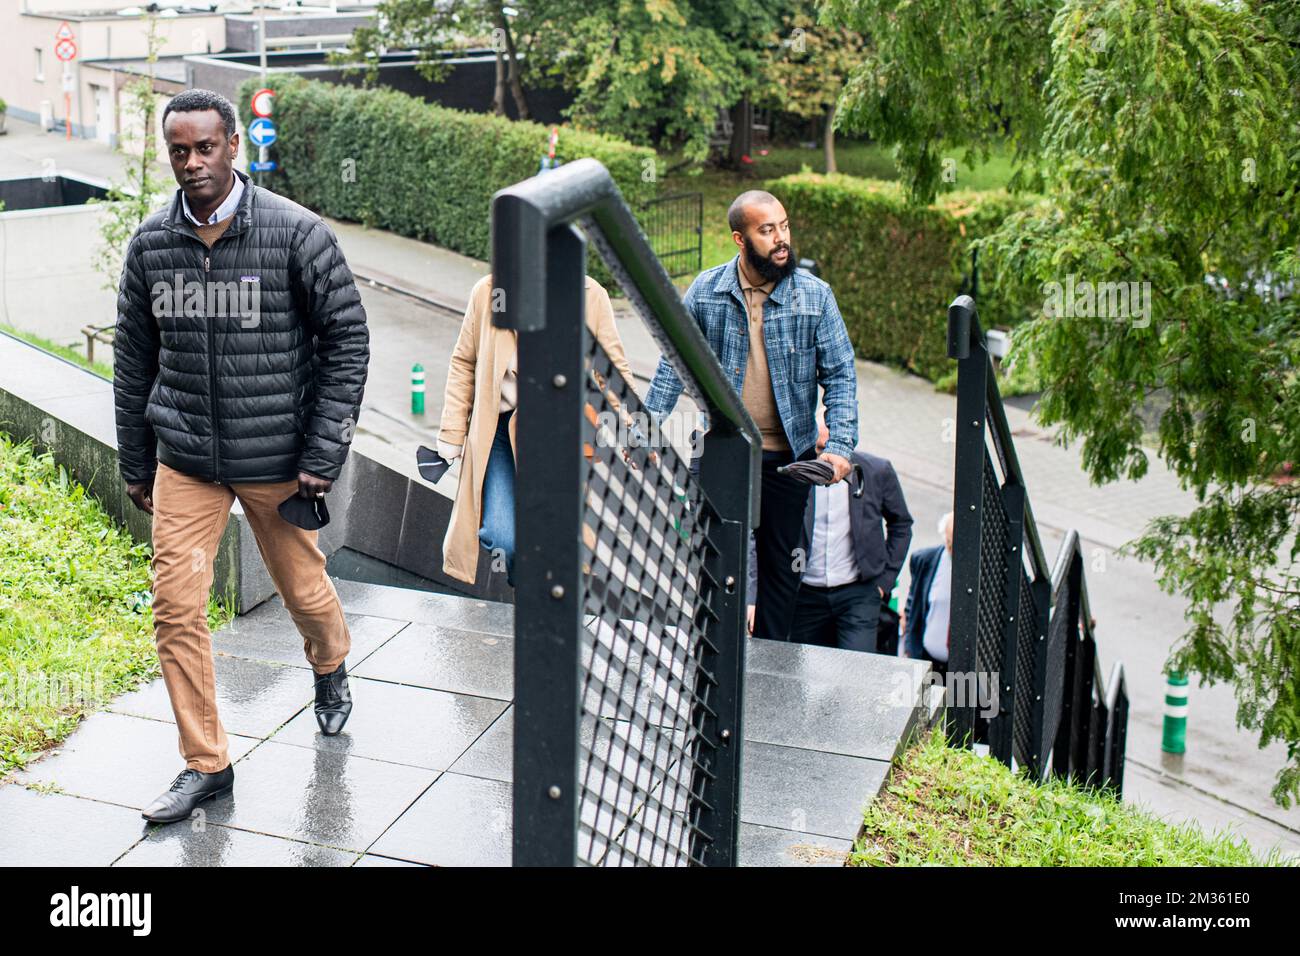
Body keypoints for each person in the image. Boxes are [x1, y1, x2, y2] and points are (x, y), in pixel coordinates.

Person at [112, 89, 369, 824]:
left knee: (306, 596)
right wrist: (138, 462)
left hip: (278, 458)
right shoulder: (152, 244)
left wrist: (323, 453)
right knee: (175, 608)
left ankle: (329, 662)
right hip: (187, 457)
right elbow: (134, 360)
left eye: (205, 147)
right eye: (179, 151)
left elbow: (348, 341)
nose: (192, 163)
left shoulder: (295, 234)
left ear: (233, 146)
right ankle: (206, 764)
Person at [644, 190, 858, 642]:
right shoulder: (707, 290)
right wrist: (645, 428)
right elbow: (671, 362)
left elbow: (840, 376)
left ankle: (770, 677)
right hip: (725, 451)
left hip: (790, 459)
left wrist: (839, 447)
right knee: (715, 561)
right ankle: (714, 661)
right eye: (768, 230)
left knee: (783, 573)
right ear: (740, 239)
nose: (781, 239)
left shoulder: (816, 297)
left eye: (784, 226)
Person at [436, 273, 634, 587]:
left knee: (556, 537)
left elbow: (611, 369)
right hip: (497, 432)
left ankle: (537, 608)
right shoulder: (487, 292)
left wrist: (631, 427)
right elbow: (464, 360)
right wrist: (451, 433)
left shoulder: (588, 294)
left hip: (556, 434)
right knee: (504, 539)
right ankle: (531, 597)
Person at [745, 422, 912, 651]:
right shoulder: (792, 472)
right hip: (803, 593)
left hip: (857, 594)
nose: (824, 457)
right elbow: (759, 533)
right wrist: (754, 597)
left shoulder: (877, 471)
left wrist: (884, 582)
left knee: (856, 671)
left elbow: (901, 524)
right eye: (818, 448)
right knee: (800, 668)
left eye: (829, 448)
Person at [901, 512, 954, 676]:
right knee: (917, 701)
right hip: (926, 662)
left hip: (968, 672)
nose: (954, 550)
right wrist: (909, 648)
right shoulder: (925, 559)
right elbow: (913, 604)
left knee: (963, 700)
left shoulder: (988, 568)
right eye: (950, 544)